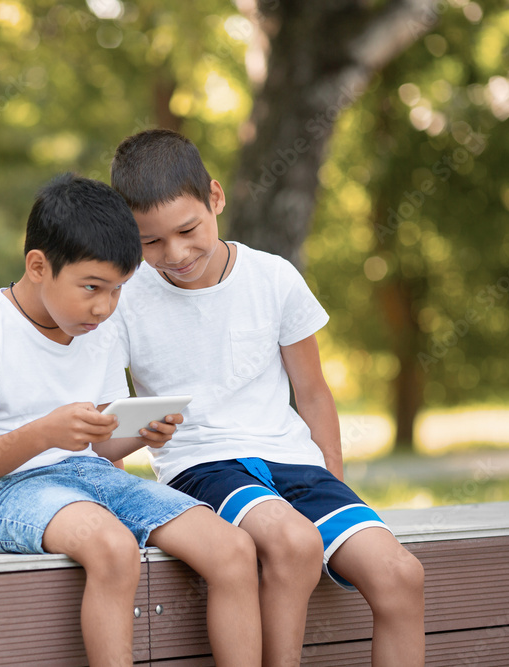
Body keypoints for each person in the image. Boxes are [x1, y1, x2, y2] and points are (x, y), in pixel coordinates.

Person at [109, 129, 425, 667]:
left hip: (295, 463)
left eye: (188, 230)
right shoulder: (122, 299)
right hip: (203, 463)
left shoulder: (274, 277)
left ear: (215, 198)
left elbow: (314, 392)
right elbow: (105, 433)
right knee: (294, 542)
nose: (176, 253)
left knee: (401, 575)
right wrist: (137, 434)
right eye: (152, 242)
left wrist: (335, 483)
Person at [0, 173, 262, 666]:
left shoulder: (98, 330)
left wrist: (138, 434)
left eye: (117, 290)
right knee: (112, 546)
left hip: (90, 479)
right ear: (39, 266)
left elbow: (103, 447)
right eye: (92, 287)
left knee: (233, 548)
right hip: (5, 493)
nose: (104, 307)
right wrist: (46, 432)